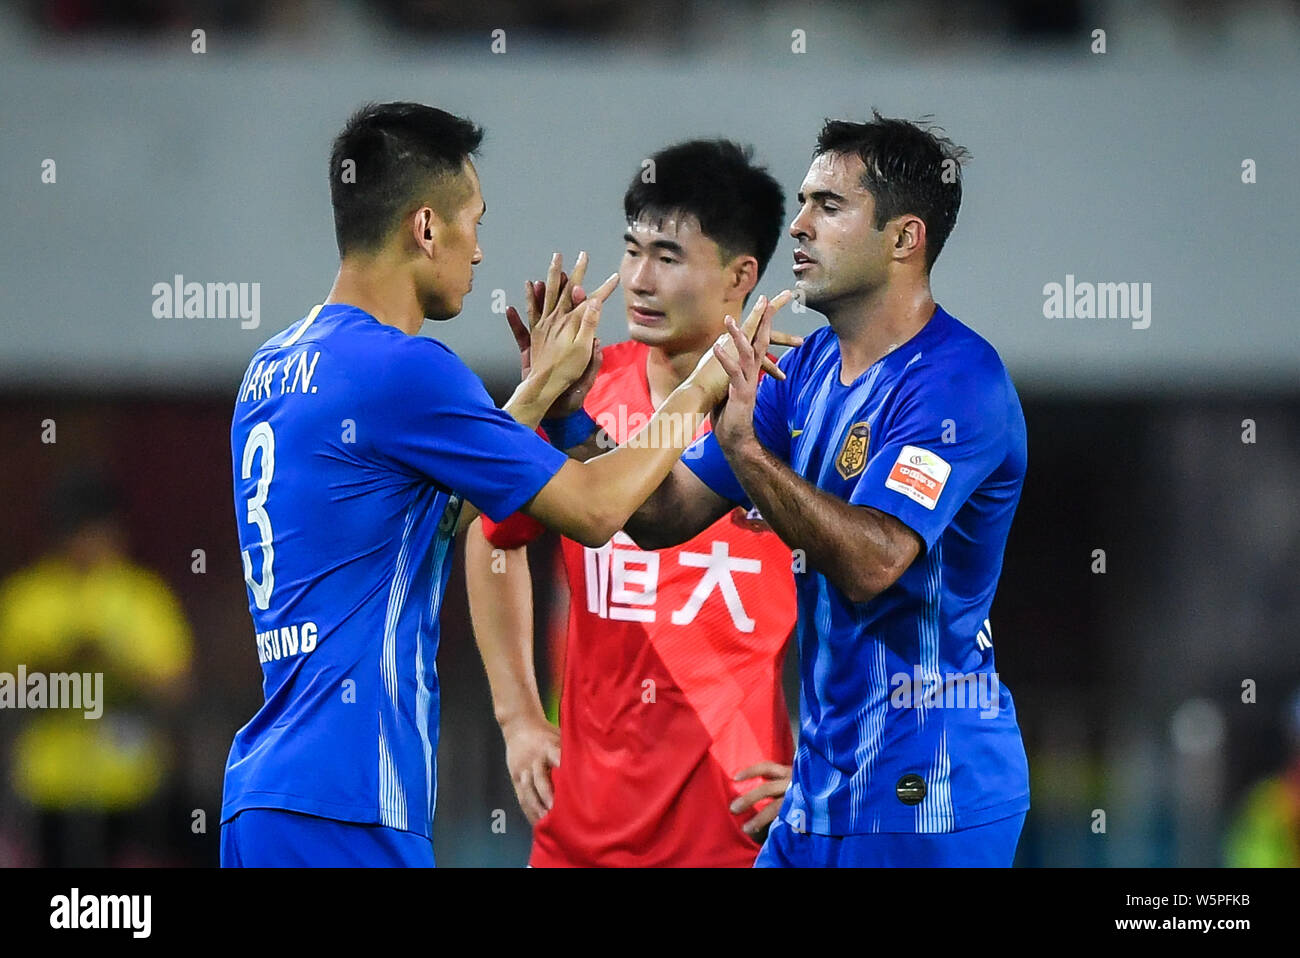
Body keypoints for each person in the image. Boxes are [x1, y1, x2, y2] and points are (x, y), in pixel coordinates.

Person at [219, 102, 791, 867]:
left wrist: (536, 401)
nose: (480, 253)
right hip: (351, 792)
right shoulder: (406, 370)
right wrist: (701, 393)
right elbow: (591, 511)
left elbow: (429, 516)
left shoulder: (273, 366)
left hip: (267, 788)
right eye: (474, 222)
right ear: (427, 229)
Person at [624, 112, 1030, 867]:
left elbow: (875, 561)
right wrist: (564, 419)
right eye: (804, 203)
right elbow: (660, 515)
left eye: (828, 206)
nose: (799, 226)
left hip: (929, 788)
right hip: (821, 792)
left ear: (904, 239)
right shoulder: (803, 371)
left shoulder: (957, 383)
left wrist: (745, 448)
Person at [466, 140, 798, 867]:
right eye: (632, 250)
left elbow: (876, 589)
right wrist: (518, 715)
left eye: (669, 257)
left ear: (741, 275)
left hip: (736, 836)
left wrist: (827, 768)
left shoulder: (790, 412)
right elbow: (492, 539)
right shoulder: (581, 396)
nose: (639, 280)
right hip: (580, 832)